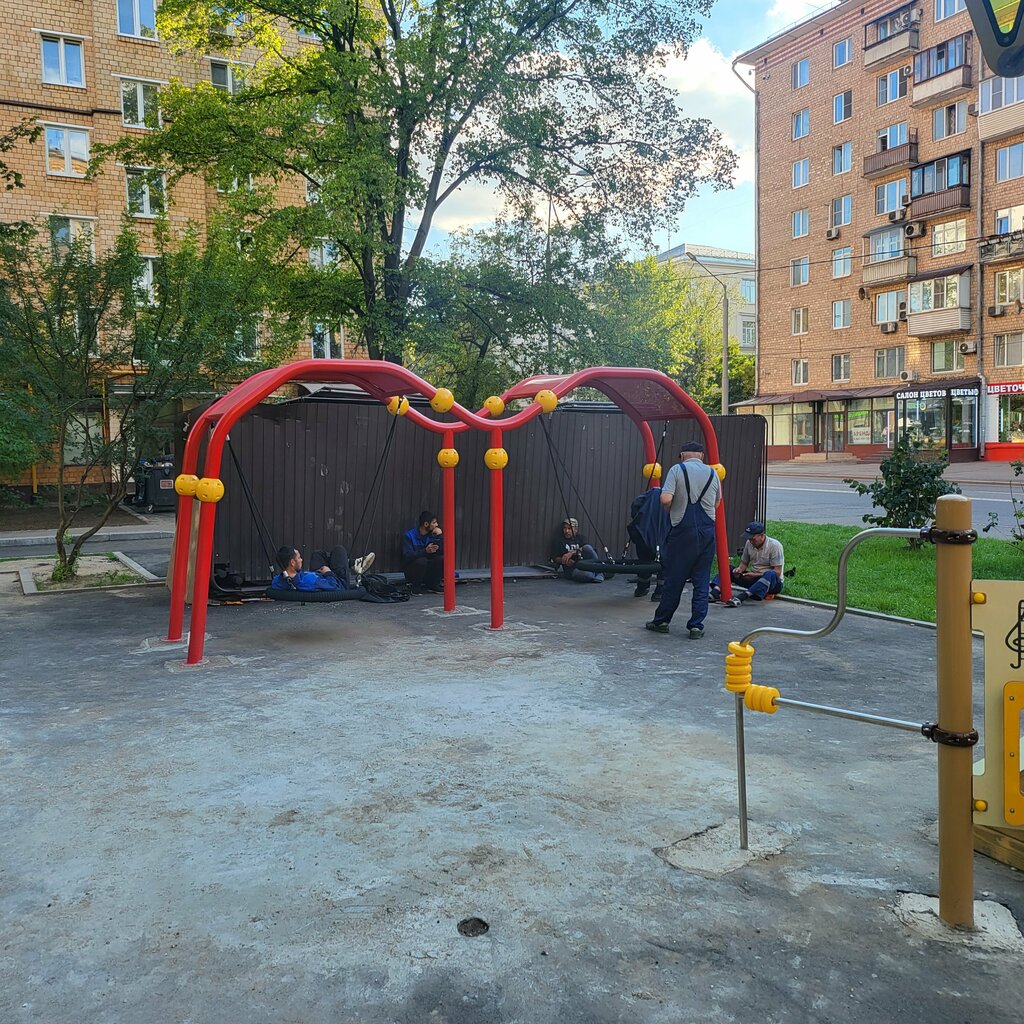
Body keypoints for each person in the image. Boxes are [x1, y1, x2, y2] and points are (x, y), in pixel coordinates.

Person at [646, 440, 721, 639]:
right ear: (702, 457)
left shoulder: (676, 470)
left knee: (674, 578)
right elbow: (717, 503)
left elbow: (665, 499)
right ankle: (696, 625)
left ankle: (662, 621)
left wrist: (671, 508)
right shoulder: (713, 473)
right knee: (702, 579)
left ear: (682, 456)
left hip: (682, 531)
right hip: (707, 533)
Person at [712, 521, 785, 605]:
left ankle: (742, 597)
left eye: (753, 539)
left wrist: (755, 575)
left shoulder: (775, 546)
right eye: (749, 539)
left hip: (772, 582)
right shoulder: (749, 543)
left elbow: (777, 572)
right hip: (754, 578)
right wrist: (739, 570)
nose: (751, 541)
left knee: (770, 574)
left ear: (762, 535)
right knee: (728, 568)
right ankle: (716, 591)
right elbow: (744, 563)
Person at [272, 544, 374, 592]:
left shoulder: (277, 580)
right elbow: (333, 586)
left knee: (317, 554)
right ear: (292, 562)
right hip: (338, 582)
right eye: (299, 557)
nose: (302, 560)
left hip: (318, 577)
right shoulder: (309, 581)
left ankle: (351, 563)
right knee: (339, 550)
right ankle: (352, 563)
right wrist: (328, 572)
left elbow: (285, 581)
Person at [627, 486, 669, 599]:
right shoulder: (669, 498)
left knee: (644, 561)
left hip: (643, 534)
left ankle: (642, 587)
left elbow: (635, 506)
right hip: (663, 535)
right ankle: (660, 591)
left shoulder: (646, 496)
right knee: (664, 562)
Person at [550, 517, 605, 582]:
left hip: (585, 563)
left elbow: (587, 549)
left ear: (575, 529)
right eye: (565, 528)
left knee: (587, 547)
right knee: (587, 575)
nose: (566, 531)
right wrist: (563, 560)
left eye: (569, 528)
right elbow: (554, 558)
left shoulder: (581, 538)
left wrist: (571, 553)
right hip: (572, 568)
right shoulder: (558, 541)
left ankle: (599, 572)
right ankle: (598, 573)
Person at [403, 510, 444, 592]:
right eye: (434, 523)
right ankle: (415, 587)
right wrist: (425, 551)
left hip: (428, 569)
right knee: (422, 561)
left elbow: (442, 551)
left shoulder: (433, 534)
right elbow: (407, 556)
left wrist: (440, 536)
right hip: (413, 570)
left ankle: (433, 585)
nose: (437, 525)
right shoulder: (409, 535)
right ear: (426, 524)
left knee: (441, 559)